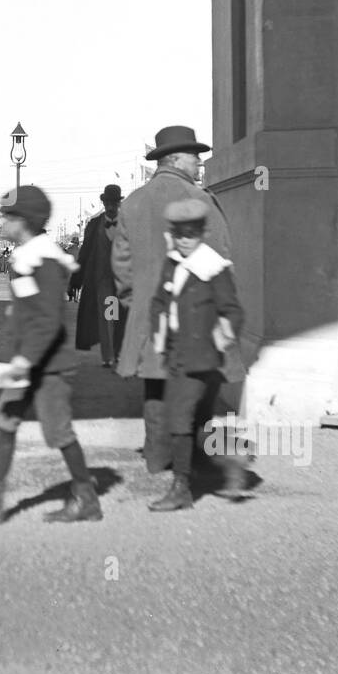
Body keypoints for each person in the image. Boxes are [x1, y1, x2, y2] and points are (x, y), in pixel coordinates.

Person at [0, 185, 101, 524]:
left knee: (59, 433)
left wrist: (24, 361)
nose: (1, 222)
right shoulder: (27, 256)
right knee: (5, 423)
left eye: (7, 217)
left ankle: (87, 497)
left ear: (25, 221)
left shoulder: (42, 259)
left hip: (46, 366)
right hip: (27, 362)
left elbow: (47, 321)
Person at [112, 125, 243, 474]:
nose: (200, 164)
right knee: (199, 388)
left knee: (155, 389)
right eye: (195, 157)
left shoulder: (132, 203)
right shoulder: (201, 201)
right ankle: (193, 459)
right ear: (177, 159)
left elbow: (121, 270)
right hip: (196, 318)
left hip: (150, 317)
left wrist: (137, 306)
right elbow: (220, 259)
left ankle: (157, 457)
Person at [146, 200, 247, 509]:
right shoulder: (173, 262)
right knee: (199, 421)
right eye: (178, 234)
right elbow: (159, 301)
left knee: (178, 417)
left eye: (190, 234)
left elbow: (233, 310)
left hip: (200, 358)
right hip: (177, 355)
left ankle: (181, 489)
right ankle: (229, 464)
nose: (184, 240)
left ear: (202, 233)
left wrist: (223, 334)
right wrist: (159, 325)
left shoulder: (213, 267)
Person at [72, 184, 127, 367]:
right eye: (108, 203)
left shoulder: (129, 223)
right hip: (103, 281)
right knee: (109, 317)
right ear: (103, 203)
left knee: (123, 319)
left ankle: (119, 353)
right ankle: (109, 356)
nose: (110, 206)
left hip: (125, 281)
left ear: (118, 204)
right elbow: (85, 253)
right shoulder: (94, 225)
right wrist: (76, 280)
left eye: (114, 203)